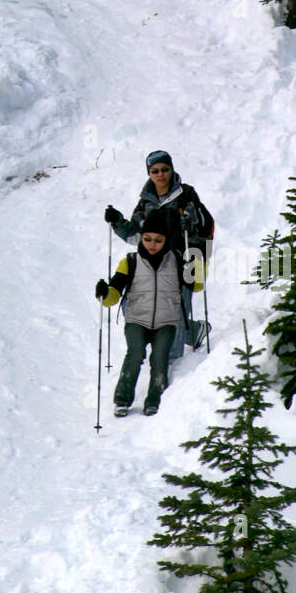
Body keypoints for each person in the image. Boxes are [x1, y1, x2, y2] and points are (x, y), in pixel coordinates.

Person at [104, 149, 214, 358]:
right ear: (149, 173)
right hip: (153, 265)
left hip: (183, 262)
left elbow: (200, 226)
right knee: (137, 309)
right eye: (155, 171)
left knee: (175, 315)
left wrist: (188, 225)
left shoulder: (186, 194)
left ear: (172, 169)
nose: (161, 174)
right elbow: (135, 236)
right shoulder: (145, 202)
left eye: (165, 169)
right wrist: (117, 221)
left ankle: (171, 370)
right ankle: (194, 332)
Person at [95, 209, 203, 416]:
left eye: (158, 240)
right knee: (135, 353)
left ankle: (156, 398)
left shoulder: (177, 260)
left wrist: (195, 266)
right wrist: (103, 293)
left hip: (166, 321)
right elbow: (114, 294)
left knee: (160, 358)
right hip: (137, 319)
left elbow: (196, 286)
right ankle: (122, 398)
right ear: (142, 238)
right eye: (147, 239)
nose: (152, 244)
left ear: (166, 240)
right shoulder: (130, 261)